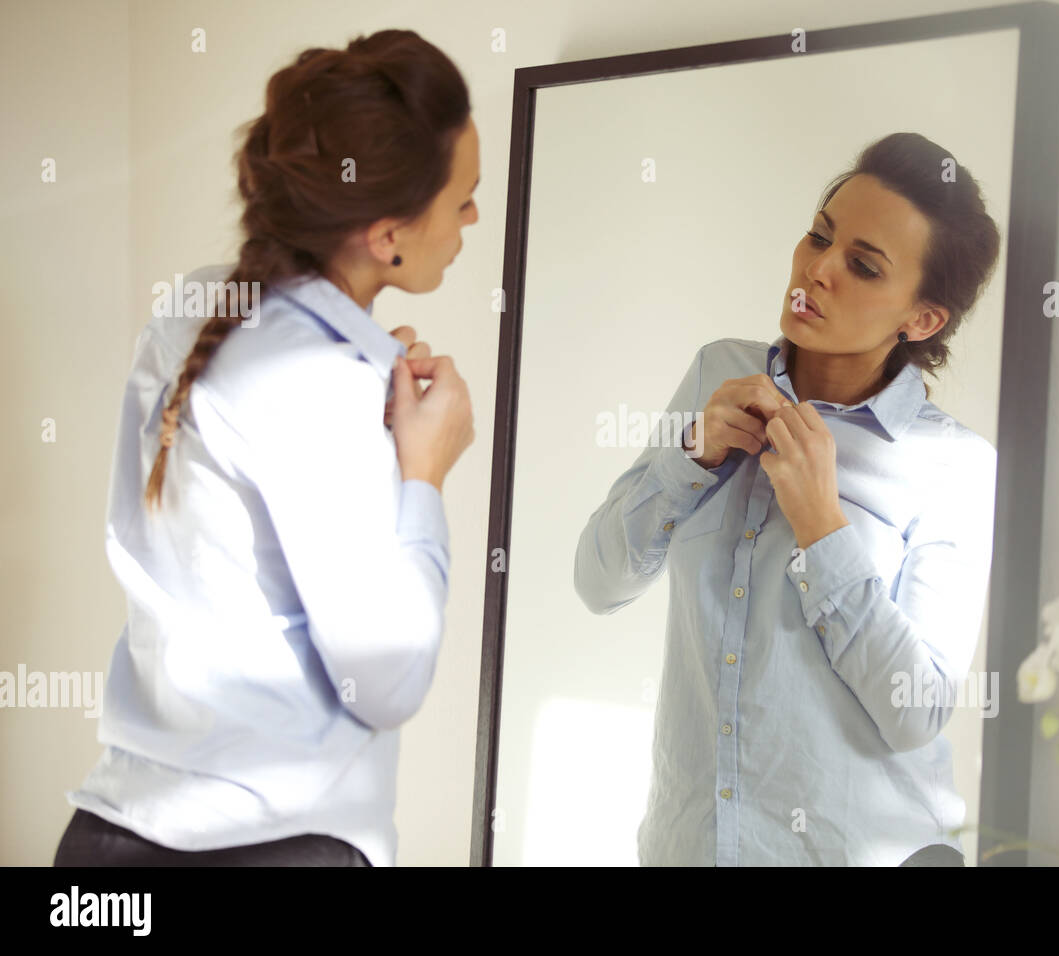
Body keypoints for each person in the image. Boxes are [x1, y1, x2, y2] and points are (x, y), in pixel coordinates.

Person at [53, 29, 477, 868]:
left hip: (107, 843)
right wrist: (422, 474)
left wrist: (360, 384)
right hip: (267, 847)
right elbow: (385, 683)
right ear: (389, 236)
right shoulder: (321, 380)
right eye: (463, 196)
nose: (472, 216)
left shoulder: (198, 308)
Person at [574, 132, 1001, 866]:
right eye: (819, 236)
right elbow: (598, 582)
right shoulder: (719, 370)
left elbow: (916, 711)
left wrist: (823, 530)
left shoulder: (953, 465)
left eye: (863, 265)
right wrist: (690, 459)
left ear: (922, 319)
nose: (817, 270)